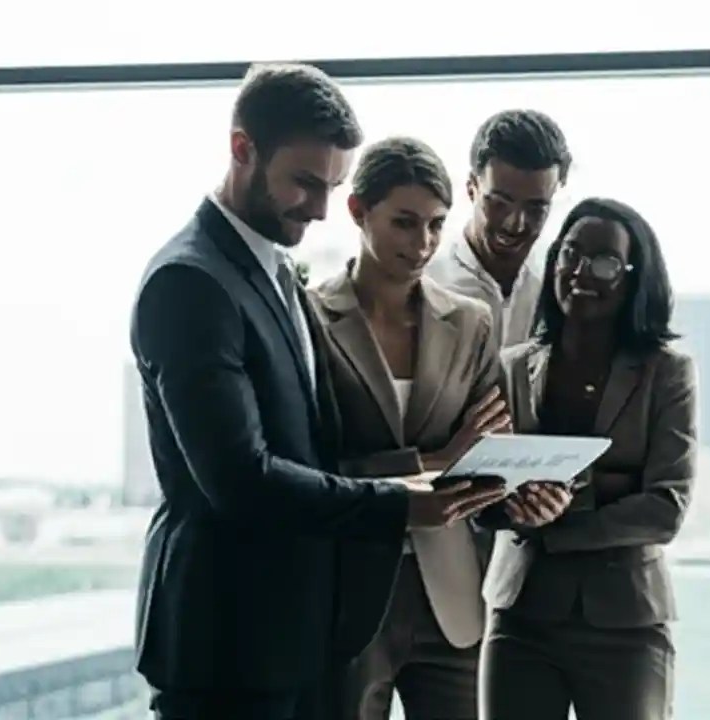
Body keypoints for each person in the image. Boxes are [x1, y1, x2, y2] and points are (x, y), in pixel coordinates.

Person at [129, 64, 505, 720]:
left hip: (289, 637)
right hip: (224, 641)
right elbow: (241, 480)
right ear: (242, 149)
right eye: (304, 182)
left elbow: (310, 449)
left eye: (331, 186)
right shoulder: (190, 283)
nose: (321, 209)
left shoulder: (272, 271)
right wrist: (400, 504)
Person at [308, 137, 573, 720]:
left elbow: (488, 458)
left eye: (435, 225)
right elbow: (310, 469)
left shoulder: (470, 324)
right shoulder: (310, 318)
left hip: (450, 591)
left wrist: (526, 496)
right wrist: (437, 459)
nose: (423, 243)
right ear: (358, 211)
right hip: (347, 592)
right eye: (404, 223)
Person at [478, 198, 698, 720]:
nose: (580, 273)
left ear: (634, 277)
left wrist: (559, 516)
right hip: (521, 615)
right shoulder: (511, 367)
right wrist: (607, 486)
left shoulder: (666, 372)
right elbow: (481, 494)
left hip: (626, 622)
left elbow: (665, 507)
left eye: (603, 262)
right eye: (570, 254)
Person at [424, 109, 572, 349]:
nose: (516, 224)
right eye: (499, 203)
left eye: (535, 208)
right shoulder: (427, 279)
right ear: (472, 188)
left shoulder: (560, 279)